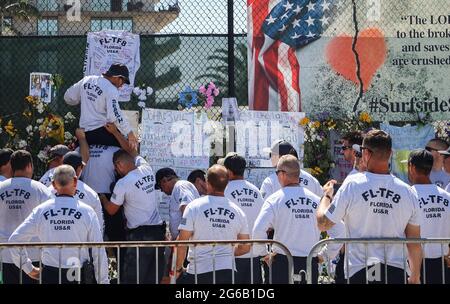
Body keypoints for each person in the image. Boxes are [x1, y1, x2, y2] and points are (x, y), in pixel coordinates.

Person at [316, 130, 422, 284]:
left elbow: (323, 223)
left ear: (365, 153)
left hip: (361, 268)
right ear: (390, 153)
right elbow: (414, 241)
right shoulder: (407, 192)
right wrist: (415, 275)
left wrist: (326, 196)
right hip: (395, 270)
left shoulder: (352, 185)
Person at [8, 165, 108, 284]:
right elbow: (99, 251)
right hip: (77, 274)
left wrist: (28, 268)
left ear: (53, 184)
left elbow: (14, 240)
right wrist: (103, 281)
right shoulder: (87, 212)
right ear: (75, 181)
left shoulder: (41, 210)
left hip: (50, 275)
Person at [176, 165, 250, 284]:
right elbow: (246, 246)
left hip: (198, 271)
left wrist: (178, 268)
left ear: (207, 182)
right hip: (227, 271)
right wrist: (226, 252)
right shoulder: (238, 211)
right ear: (227, 184)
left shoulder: (194, 207)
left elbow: (182, 241)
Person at [99, 149, 165, 284]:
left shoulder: (123, 183)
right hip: (158, 233)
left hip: (139, 236)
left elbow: (111, 210)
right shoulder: (147, 169)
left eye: (115, 168)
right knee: (154, 276)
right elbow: (134, 153)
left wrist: (102, 198)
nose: (116, 172)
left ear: (118, 164)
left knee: (133, 277)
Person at [253, 155, 321, 284]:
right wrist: (324, 254)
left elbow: (258, 230)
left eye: (277, 172)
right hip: (309, 263)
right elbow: (339, 230)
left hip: (282, 263)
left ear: (283, 174)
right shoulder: (316, 200)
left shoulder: (274, 199)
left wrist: (264, 254)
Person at [0, 150, 52, 284]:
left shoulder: (1, 188)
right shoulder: (40, 189)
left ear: (11, 166)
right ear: (29, 165)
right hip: (34, 255)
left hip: (5, 255)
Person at [64, 63, 137, 150]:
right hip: (101, 132)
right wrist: (129, 133)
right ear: (117, 77)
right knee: (126, 149)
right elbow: (114, 115)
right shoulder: (111, 89)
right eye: (123, 81)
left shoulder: (87, 79)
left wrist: (82, 100)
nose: (122, 85)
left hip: (84, 132)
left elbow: (68, 97)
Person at [408, 149, 450, 284]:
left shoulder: (408, 196)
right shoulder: (446, 197)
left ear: (412, 167)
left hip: (414, 264)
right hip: (441, 264)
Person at [223, 153, 265, 284]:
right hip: (253, 253)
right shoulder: (256, 191)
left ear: (228, 171)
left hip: (232, 254)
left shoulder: (224, 190)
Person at [47, 151, 104, 234]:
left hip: (51, 242)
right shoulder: (90, 193)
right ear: (78, 169)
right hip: (81, 243)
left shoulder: (48, 190)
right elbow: (99, 226)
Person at [155, 168, 200, 240]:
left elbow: (187, 211)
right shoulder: (178, 188)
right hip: (184, 239)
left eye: (161, 187)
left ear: (164, 181)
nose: (162, 191)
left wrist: (180, 238)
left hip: (185, 240)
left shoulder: (180, 186)